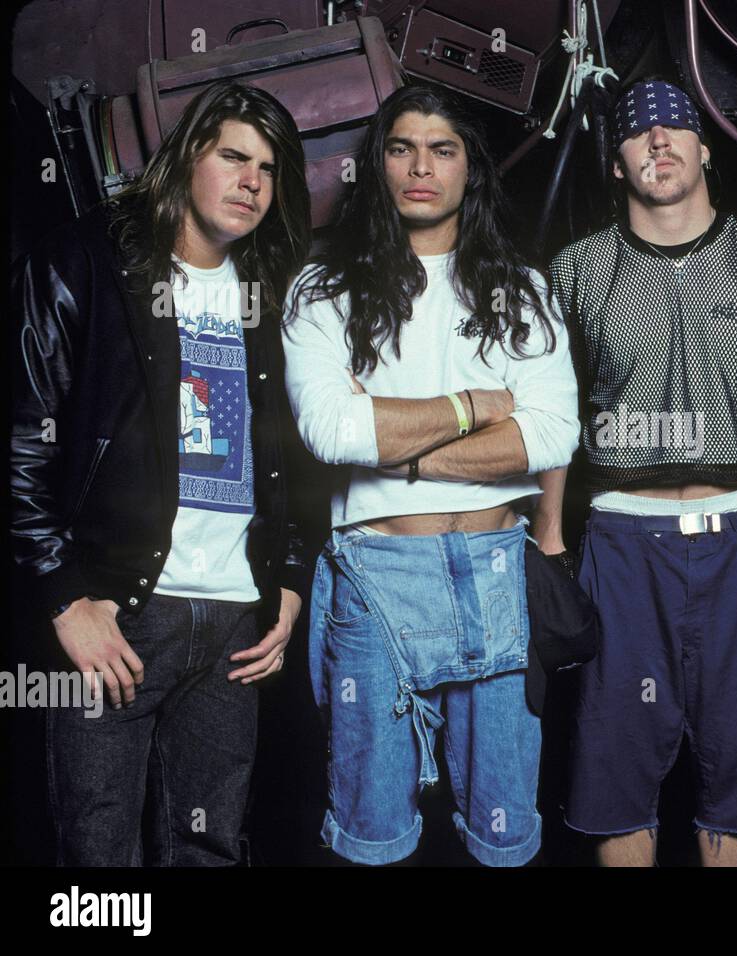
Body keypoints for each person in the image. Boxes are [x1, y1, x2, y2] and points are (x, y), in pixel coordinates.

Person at [547, 78, 737, 867]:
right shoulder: (577, 269)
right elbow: (548, 413)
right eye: (637, 130)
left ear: (705, 147)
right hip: (620, 541)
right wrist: (549, 545)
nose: (658, 140)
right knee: (615, 778)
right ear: (616, 162)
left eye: (675, 125)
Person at [10, 81, 313, 865]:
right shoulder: (84, 260)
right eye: (234, 158)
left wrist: (287, 579)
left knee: (211, 848)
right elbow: (19, 444)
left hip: (235, 626)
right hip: (118, 613)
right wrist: (63, 595)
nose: (251, 182)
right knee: (99, 856)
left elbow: (295, 453)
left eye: (269, 169)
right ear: (186, 157)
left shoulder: (272, 289)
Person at [282, 85, 579, 867]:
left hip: (496, 570)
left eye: (442, 150)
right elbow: (330, 431)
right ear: (377, 165)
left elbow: (551, 434)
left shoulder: (521, 289)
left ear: (469, 169)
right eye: (402, 148)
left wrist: (396, 444)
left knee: (502, 834)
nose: (421, 167)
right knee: (371, 830)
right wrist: (475, 407)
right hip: (376, 574)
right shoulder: (323, 289)